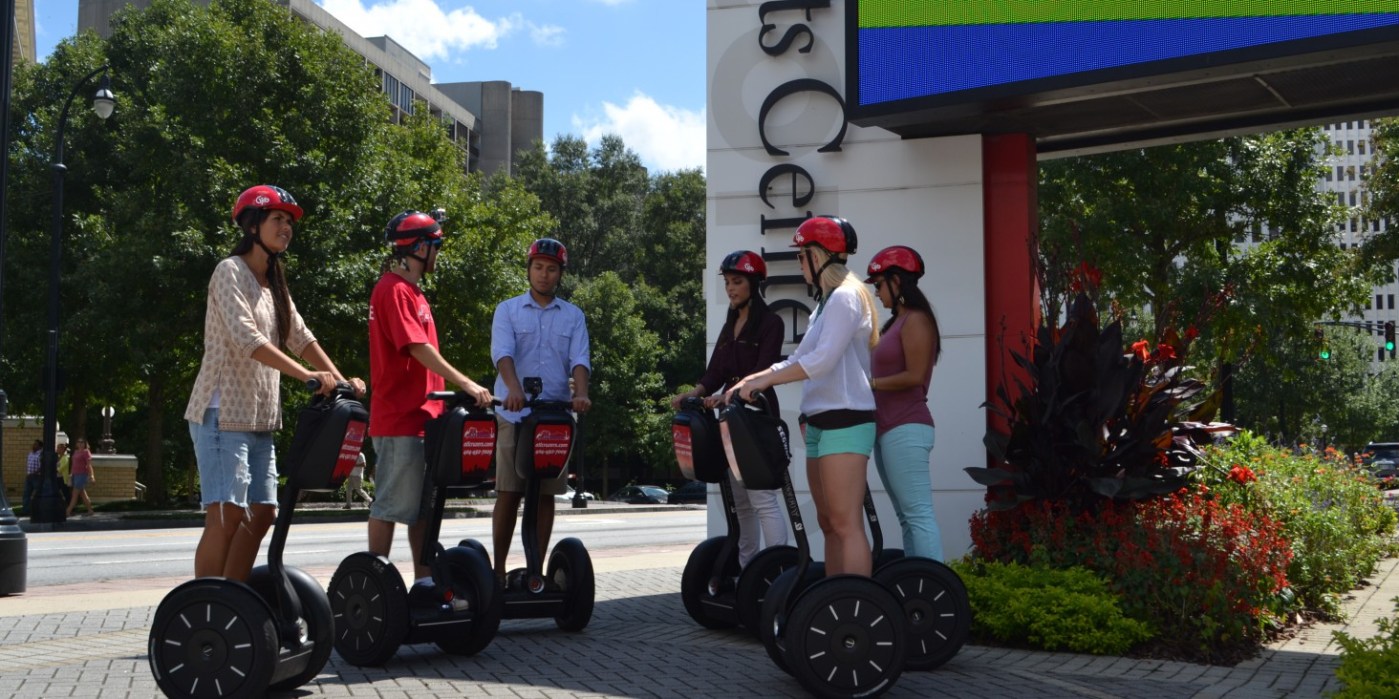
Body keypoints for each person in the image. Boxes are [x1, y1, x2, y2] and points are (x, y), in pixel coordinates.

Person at [184, 184, 365, 581]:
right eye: (278, 219)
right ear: (253, 226)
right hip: (220, 412)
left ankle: (234, 600)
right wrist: (306, 376)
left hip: (259, 417)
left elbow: (301, 337)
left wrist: (338, 378)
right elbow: (247, 338)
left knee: (263, 512)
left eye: (289, 221)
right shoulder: (229, 271)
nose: (286, 227)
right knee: (226, 513)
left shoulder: (275, 285)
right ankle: (205, 606)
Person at [727, 216, 879, 577]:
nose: (799, 264)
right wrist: (754, 377)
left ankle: (854, 605)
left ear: (820, 255)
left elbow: (821, 361)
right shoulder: (824, 305)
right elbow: (798, 360)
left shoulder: (845, 297)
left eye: (802, 256)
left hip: (846, 418)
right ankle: (832, 602)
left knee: (845, 523)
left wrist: (763, 382)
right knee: (827, 522)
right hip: (821, 421)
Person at [368, 209, 492, 604]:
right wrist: (465, 382)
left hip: (424, 417)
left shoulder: (416, 293)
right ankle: (372, 590)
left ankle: (425, 587)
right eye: (436, 246)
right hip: (399, 419)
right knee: (389, 505)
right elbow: (417, 348)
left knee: (422, 512)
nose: (438, 253)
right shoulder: (393, 290)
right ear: (419, 247)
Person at [670, 250, 788, 567]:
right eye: (728, 283)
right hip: (731, 423)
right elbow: (715, 372)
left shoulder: (772, 324)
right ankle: (749, 571)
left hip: (757, 420)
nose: (731, 289)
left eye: (737, 282)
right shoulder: (730, 324)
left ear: (753, 284)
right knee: (741, 503)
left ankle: (778, 570)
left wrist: (731, 392)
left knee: (762, 499)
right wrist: (695, 392)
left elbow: (765, 370)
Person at [490, 238, 592, 585]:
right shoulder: (508, 310)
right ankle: (498, 570)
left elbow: (580, 360)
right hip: (514, 413)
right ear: (529, 269)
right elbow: (502, 352)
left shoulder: (574, 316)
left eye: (551, 269)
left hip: (553, 417)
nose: (544, 275)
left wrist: (582, 394)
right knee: (509, 491)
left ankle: (536, 571)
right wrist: (514, 388)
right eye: (538, 267)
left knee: (547, 493)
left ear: (560, 274)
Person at [865, 246, 943, 561]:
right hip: (888, 429)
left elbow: (914, 375)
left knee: (918, 515)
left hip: (906, 427)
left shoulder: (917, 320)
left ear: (897, 281)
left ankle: (934, 585)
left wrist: (869, 384)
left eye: (879, 285)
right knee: (906, 517)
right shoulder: (896, 323)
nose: (877, 293)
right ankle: (916, 584)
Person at [66, 438, 96, 518]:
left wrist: (92, 476)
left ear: (85, 444)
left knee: (74, 494)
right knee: (83, 494)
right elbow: (73, 465)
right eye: (79, 442)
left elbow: (89, 465)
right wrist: (71, 475)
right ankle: (90, 510)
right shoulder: (75, 452)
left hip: (82, 475)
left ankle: (67, 511)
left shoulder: (86, 452)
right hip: (75, 475)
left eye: (82, 442)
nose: (80, 443)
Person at [22, 440, 41, 513]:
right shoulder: (30, 454)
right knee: (26, 494)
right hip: (29, 476)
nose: (33, 446)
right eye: (33, 444)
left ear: (40, 446)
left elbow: (42, 467)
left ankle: (38, 510)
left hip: (36, 477)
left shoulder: (40, 455)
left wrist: (35, 473)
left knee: (37, 494)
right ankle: (26, 510)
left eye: (36, 444)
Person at [56, 441, 72, 506]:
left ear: (63, 449)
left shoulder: (65, 458)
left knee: (66, 493)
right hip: (57, 478)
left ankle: (69, 507)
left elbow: (61, 468)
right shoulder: (58, 458)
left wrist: (55, 469)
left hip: (63, 479)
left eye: (58, 448)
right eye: (57, 448)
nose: (57, 449)